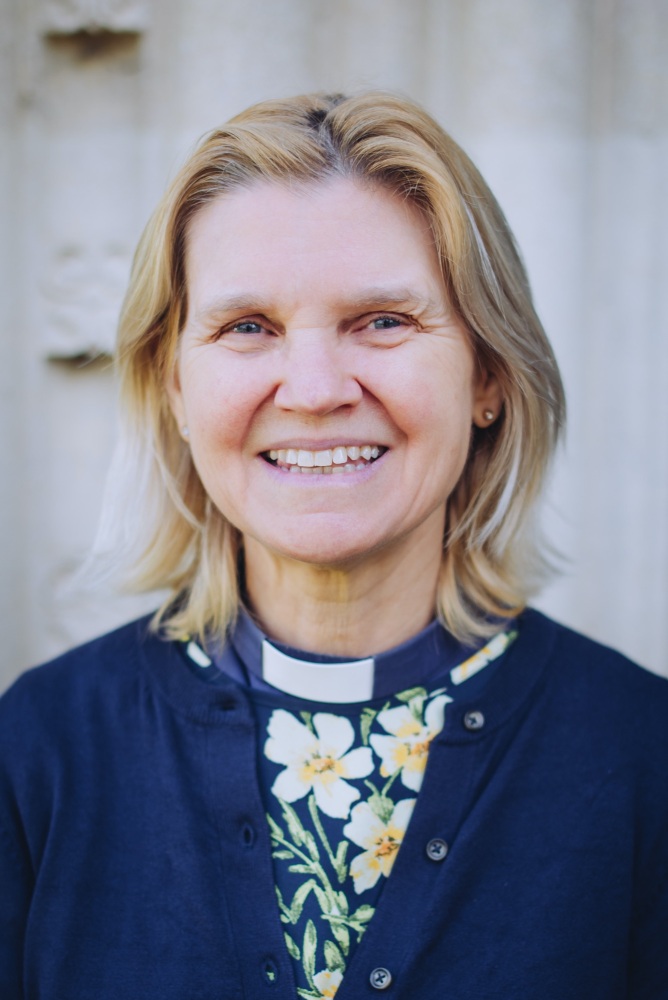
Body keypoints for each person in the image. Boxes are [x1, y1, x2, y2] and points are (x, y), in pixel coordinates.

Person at [1, 92, 666, 1000]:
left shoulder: (644, 756)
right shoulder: (39, 752)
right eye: (248, 328)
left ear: (489, 375)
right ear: (175, 389)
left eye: (383, 320)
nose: (314, 391)